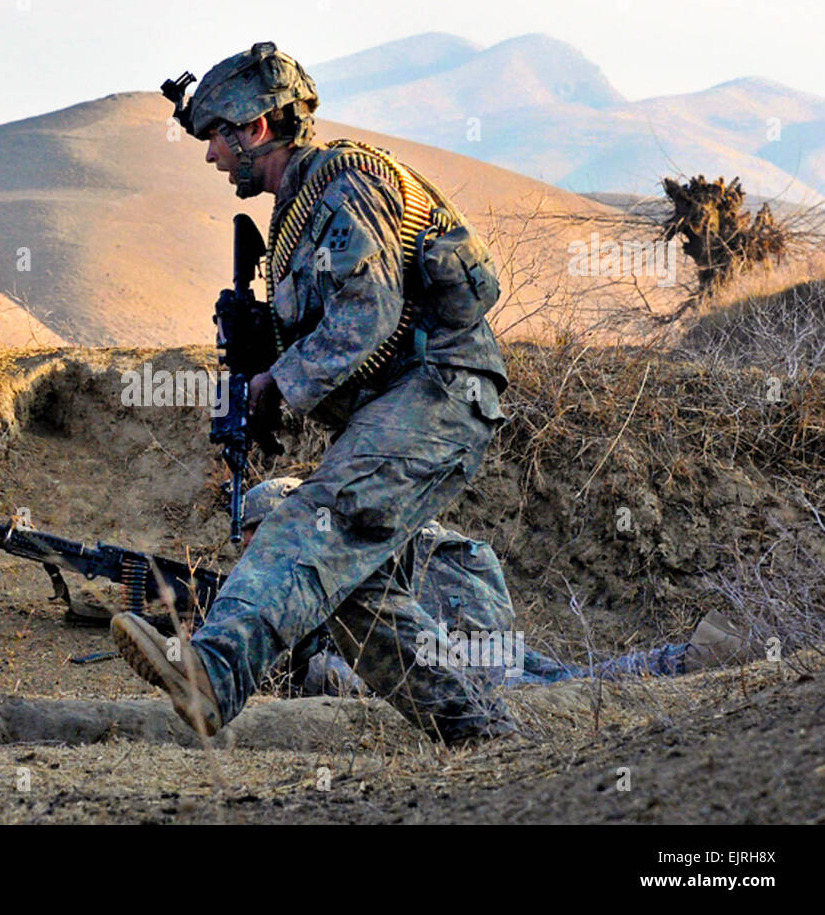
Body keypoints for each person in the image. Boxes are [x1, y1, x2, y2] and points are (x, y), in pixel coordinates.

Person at [112, 42, 516, 745]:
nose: (212, 157)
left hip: (439, 393)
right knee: (354, 592)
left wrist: (279, 383)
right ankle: (481, 733)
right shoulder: (302, 207)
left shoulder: (344, 183)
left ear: (257, 130)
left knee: (314, 520)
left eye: (216, 138)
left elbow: (369, 315)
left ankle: (214, 672)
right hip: (407, 402)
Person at [239, 479, 760, 695]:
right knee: (567, 679)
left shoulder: (314, 541)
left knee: (508, 692)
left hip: (449, 604)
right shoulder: (336, 524)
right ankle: (691, 657)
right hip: (464, 591)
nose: (249, 553)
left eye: (253, 537)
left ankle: (692, 661)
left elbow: (351, 656)